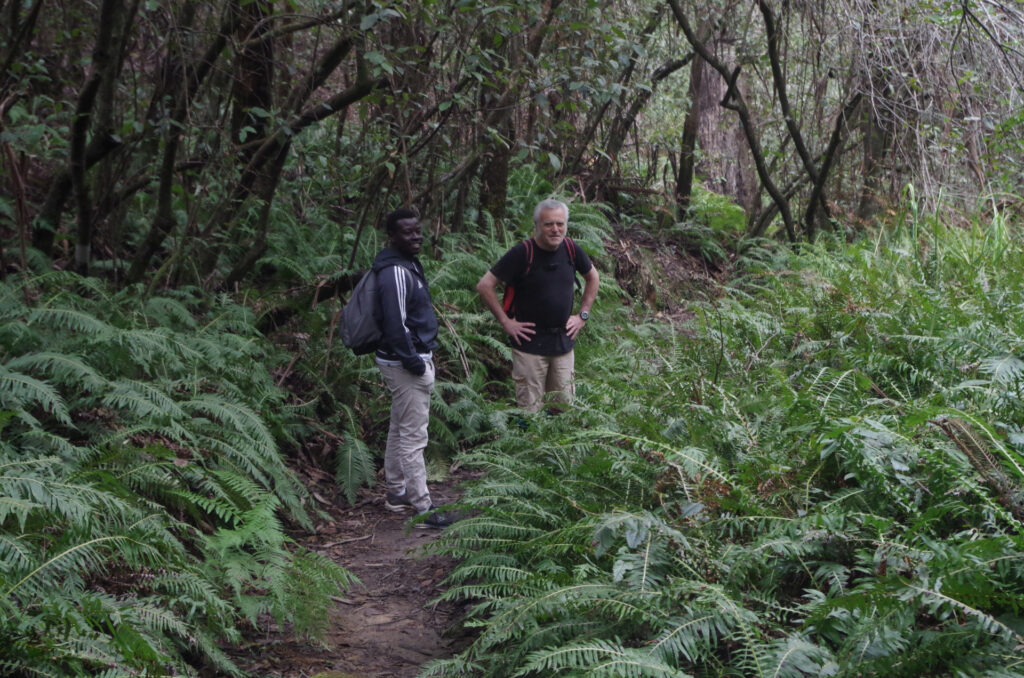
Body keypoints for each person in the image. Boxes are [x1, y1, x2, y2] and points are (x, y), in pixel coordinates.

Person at [476, 199, 599, 413]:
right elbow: (485, 285)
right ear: (537, 226)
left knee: (563, 408)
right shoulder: (523, 253)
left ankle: (555, 446)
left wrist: (583, 316)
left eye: (560, 224)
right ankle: (525, 443)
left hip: (562, 343)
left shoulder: (570, 248)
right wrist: (506, 322)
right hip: (529, 346)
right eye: (548, 224)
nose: (555, 229)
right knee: (528, 408)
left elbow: (593, 277)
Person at [373, 208, 453, 529]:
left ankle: (396, 493)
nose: (416, 236)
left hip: (404, 360)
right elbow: (396, 323)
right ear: (392, 236)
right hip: (405, 363)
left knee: (399, 426)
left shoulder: (407, 265)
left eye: (418, 230)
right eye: (407, 232)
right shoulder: (394, 271)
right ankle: (424, 509)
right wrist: (415, 364)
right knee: (413, 437)